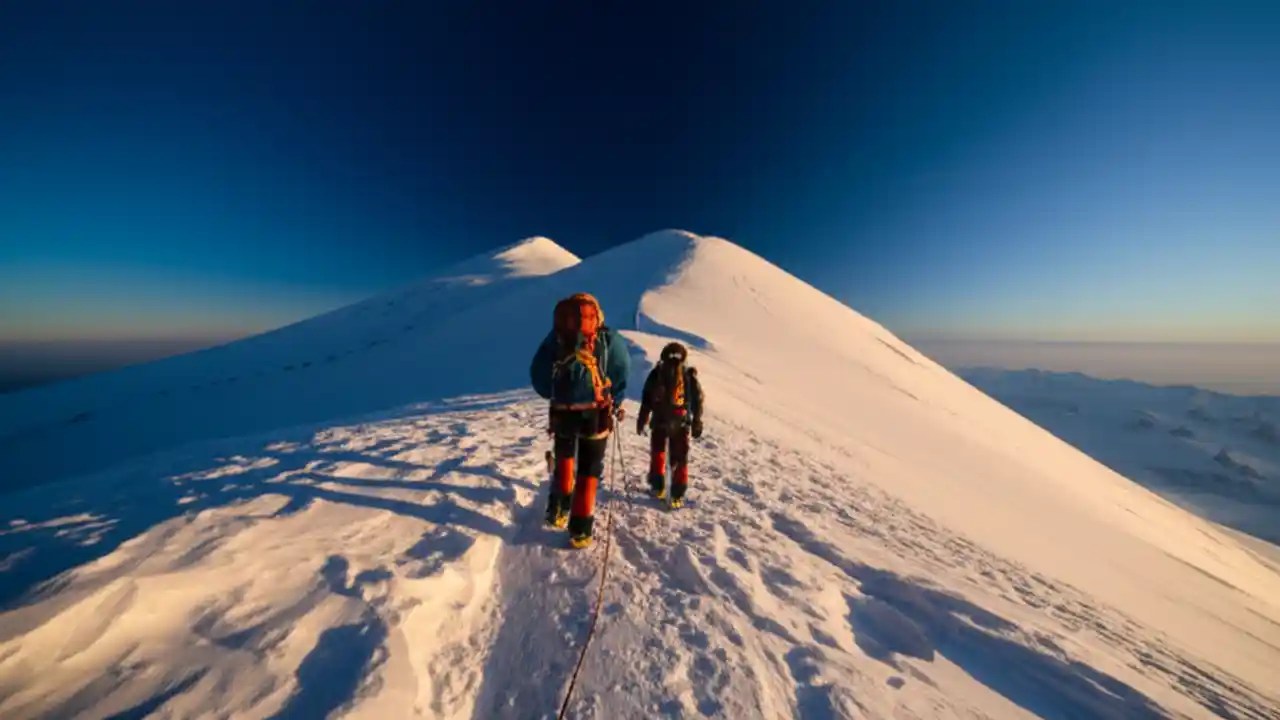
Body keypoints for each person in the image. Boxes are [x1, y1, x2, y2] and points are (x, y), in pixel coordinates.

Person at [530, 292, 630, 548]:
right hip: (596, 412)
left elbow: (539, 374)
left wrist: (553, 395)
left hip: (562, 411)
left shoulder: (556, 337)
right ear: (596, 316)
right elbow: (621, 370)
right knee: (589, 469)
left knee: (564, 458)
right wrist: (615, 399)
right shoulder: (608, 338)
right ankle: (580, 531)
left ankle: (558, 510)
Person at [637, 341, 704, 507]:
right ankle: (677, 493)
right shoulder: (688, 376)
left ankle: (657, 485)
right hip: (680, 421)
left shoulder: (657, 373)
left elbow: (647, 397)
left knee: (658, 451)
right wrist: (697, 420)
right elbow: (697, 399)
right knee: (680, 457)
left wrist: (643, 418)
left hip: (659, 418)